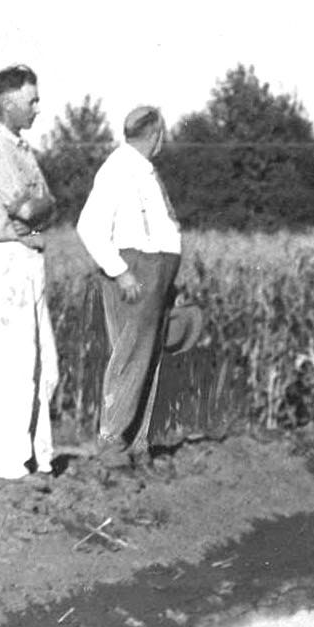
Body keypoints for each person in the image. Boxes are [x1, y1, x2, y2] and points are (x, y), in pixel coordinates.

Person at [75, 105, 183, 471]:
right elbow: (89, 227)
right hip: (136, 270)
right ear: (156, 134)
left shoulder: (143, 171)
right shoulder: (118, 169)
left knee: (149, 357)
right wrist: (121, 272)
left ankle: (137, 444)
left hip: (156, 271)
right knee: (131, 354)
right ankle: (111, 441)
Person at [0, 65, 60, 481]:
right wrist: (35, 210)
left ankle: (37, 458)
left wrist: (36, 210)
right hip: (4, 256)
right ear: (7, 102)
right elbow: (27, 208)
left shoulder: (22, 150)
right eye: (31, 100)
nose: (38, 108)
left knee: (45, 366)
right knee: (15, 364)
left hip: (28, 254)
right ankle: (6, 466)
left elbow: (47, 206)